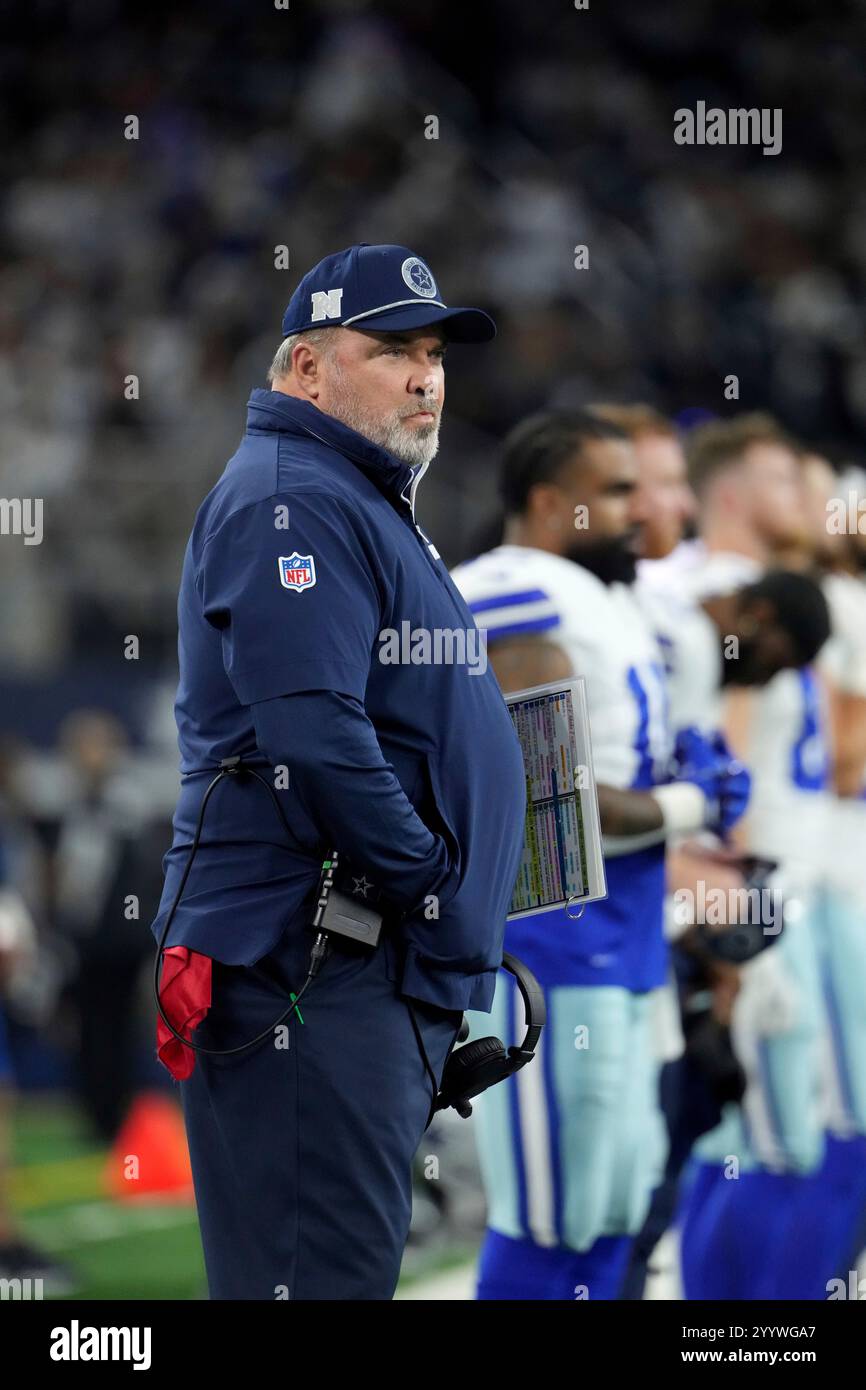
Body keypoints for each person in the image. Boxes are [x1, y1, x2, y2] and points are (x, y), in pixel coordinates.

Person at [150, 244, 527, 1300]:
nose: (426, 375)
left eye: (434, 353)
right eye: (393, 350)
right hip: (315, 962)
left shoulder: (350, 494)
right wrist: (431, 883)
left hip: (355, 962)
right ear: (305, 369)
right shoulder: (295, 499)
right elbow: (312, 735)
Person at [451, 409, 749, 1300]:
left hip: (621, 942)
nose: (640, 508)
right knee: (556, 1216)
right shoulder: (516, 589)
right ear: (550, 502)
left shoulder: (606, 599)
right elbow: (549, 802)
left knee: (617, 1208)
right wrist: (692, 802)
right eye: (616, 490)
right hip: (548, 943)